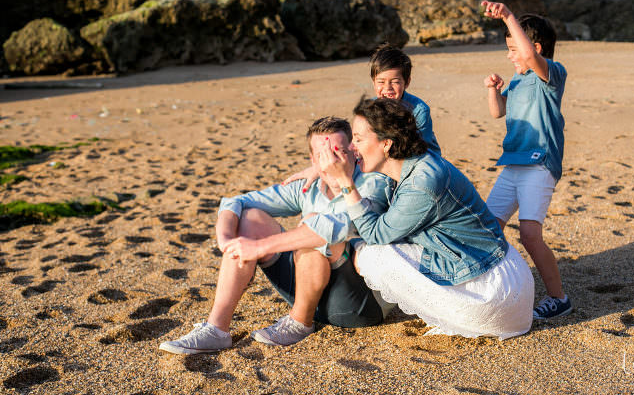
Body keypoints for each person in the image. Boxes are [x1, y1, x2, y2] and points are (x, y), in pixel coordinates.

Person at [159, 117, 391, 353]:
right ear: (312, 160)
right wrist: (226, 242)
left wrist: (259, 248)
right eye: (322, 155)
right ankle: (216, 330)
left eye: (338, 152)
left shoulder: (374, 182)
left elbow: (334, 227)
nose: (330, 161)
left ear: (354, 152)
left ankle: (300, 322)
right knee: (251, 219)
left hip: (359, 307)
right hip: (314, 297)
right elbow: (237, 202)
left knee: (312, 228)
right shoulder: (309, 185)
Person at [318, 97, 534, 339]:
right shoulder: (405, 165)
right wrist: (320, 169)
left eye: (358, 139)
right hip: (487, 273)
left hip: (494, 295)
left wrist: (345, 181)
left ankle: (460, 319)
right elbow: (373, 208)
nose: (351, 147)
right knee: (369, 246)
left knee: (372, 257)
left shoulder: (423, 183)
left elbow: (375, 234)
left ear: (386, 143)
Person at [481, 0, 572, 320]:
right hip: (513, 164)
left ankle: (559, 298)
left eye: (513, 49)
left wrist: (507, 15)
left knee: (530, 235)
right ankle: (497, 288)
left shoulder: (552, 74)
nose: (510, 55)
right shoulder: (518, 80)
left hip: (539, 164)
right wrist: (493, 90)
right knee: (488, 228)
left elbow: (531, 57)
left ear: (535, 47)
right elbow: (498, 111)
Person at [282, 44, 440, 191]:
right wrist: (319, 167)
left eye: (395, 82)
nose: (387, 88)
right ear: (373, 82)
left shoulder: (419, 110)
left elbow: (418, 150)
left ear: (407, 82)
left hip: (419, 163)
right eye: (381, 82)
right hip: (382, 160)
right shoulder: (370, 109)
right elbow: (356, 143)